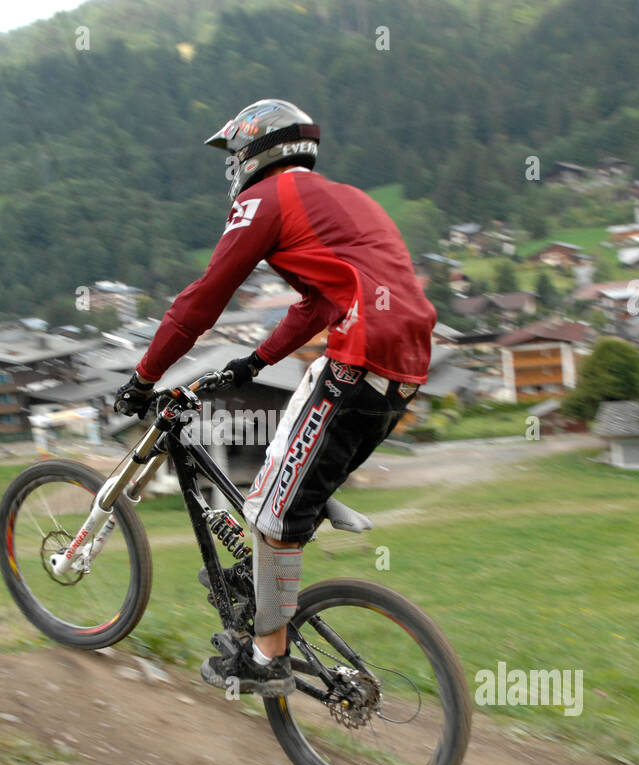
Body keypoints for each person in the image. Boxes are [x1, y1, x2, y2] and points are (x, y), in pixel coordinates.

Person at [114, 99, 436, 697]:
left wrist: (143, 375)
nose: (231, 168)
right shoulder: (346, 198)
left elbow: (203, 299)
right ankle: (308, 506)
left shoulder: (265, 200)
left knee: (267, 515)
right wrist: (255, 362)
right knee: (290, 447)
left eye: (233, 155)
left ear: (253, 152)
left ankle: (266, 659)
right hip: (407, 363)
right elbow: (316, 302)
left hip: (360, 352)